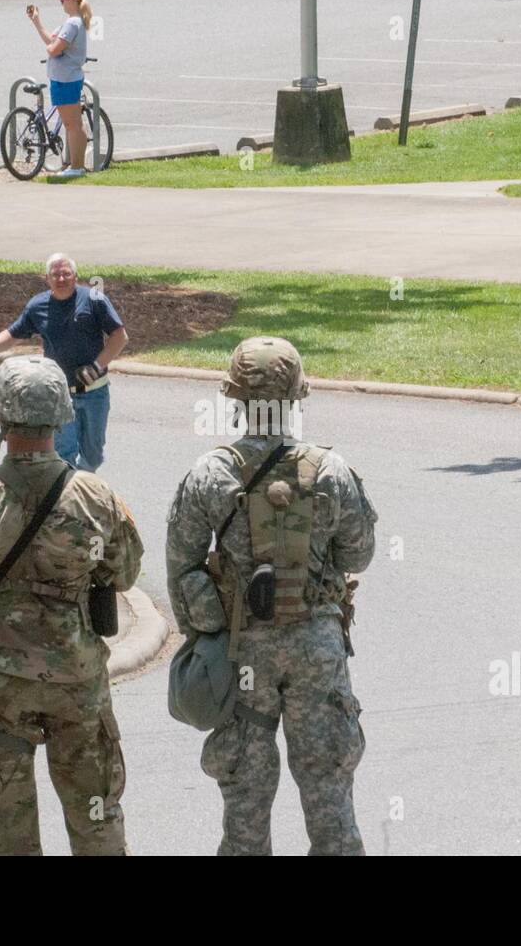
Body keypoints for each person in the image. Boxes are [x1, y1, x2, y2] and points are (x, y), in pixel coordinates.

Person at [0, 354, 143, 856]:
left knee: (9, 822)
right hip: (77, 680)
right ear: (62, 416)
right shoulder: (96, 496)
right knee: (94, 812)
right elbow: (124, 572)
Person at [165, 336, 379, 856]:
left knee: (245, 798)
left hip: (244, 654)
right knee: (329, 792)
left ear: (235, 400)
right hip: (317, 650)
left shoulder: (210, 474)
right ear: (296, 399)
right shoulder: (330, 470)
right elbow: (357, 556)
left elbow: (182, 568)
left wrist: (212, 630)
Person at [0, 252, 127, 472]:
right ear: (47, 278)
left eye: (66, 274)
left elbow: (120, 337)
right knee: (64, 454)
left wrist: (95, 367)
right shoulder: (38, 305)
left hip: (95, 391)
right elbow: (15, 333)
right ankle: (68, 497)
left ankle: (82, 481)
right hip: (59, 392)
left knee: (94, 456)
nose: (61, 279)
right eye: (55, 275)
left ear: (75, 276)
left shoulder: (94, 299)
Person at [28, 0, 93, 178]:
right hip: (63, 78)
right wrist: (36, 22)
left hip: (66, 79)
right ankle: (75, 166)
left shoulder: (73, 23)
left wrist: (51, 49)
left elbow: (54, 49)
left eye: (62, 0)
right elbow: (52, 40)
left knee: (72, 124)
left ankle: (77, 167)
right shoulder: (71, 22)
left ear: (72, 0)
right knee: (71, 124)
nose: (61, 3)